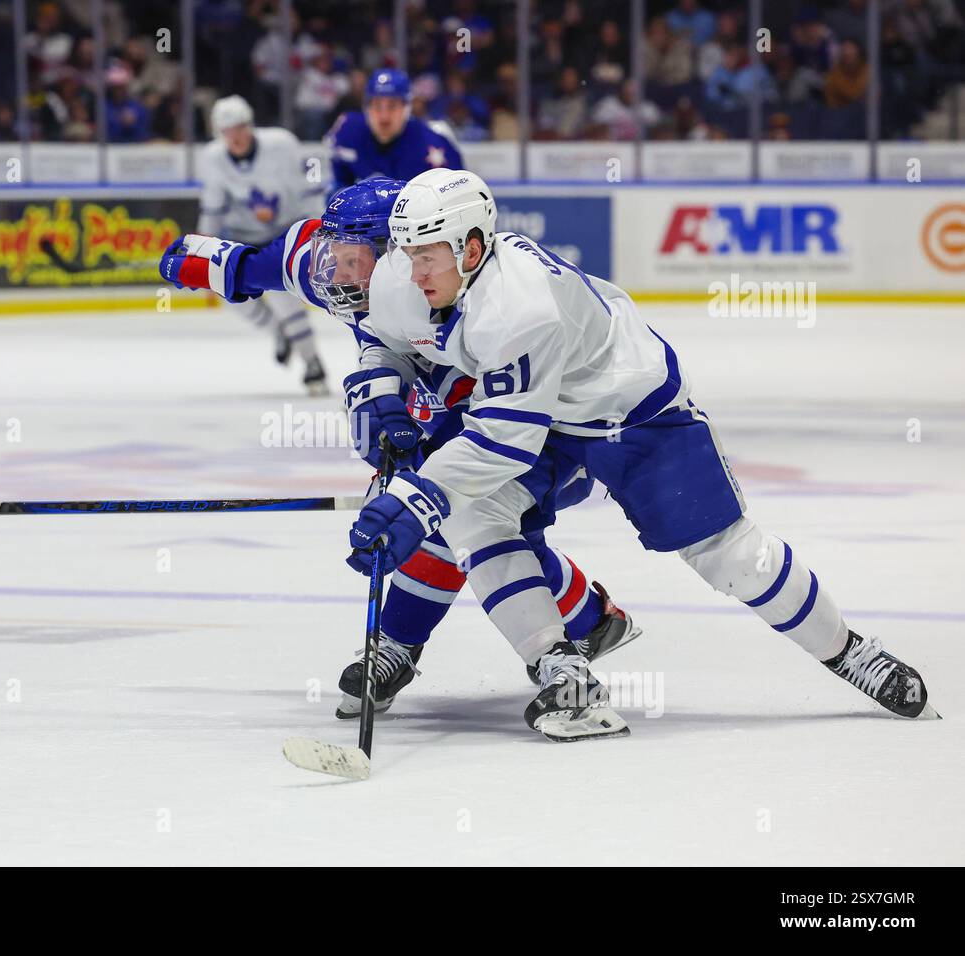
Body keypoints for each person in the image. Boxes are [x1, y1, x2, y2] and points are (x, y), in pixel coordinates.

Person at [343, 167, 936, 740]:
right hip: (545, 409)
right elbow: (385, 337)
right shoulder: (407, 271)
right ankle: (562, 672)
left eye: (427, 256)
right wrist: (380, 394)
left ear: (472, 248)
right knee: (476, 512)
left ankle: (853, 653)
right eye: (406, 252)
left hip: (631, 408)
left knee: (729, 556)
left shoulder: (519, 305)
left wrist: (413, 500)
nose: (412, 270)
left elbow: (504, 440)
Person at [160, 179, 640, 721]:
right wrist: (201, 261)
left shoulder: (466, 299)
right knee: (447, 518)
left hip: (539, 428)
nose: (340, 276)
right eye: (333, 257)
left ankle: (420, 646)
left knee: (456, 516)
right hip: (454, 415)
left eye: (356, 262)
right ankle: (587, 623)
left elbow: (495, 424)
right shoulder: (333, 265)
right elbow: (257, 266)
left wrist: (406, 444)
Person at [197, 95, 329, 394]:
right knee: (228, 291)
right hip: (243, 236)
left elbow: (309, 186)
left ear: (251, 125)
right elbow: (213, 206)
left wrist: (321, 226)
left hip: (284, 232)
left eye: (241, 127)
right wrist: (204, 247)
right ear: (220, 133)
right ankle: (278, 333)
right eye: (228, 130)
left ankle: (312, 363)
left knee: (284, 297)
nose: (236, 136)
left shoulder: (281, 144)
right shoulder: (212, 157)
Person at [325, 68, 462, 195]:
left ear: (406, 109)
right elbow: (339, 184)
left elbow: (456, 198)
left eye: (392, 106)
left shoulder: (433, 144)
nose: (384, 117)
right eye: (377, 106)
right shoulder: (348, 130)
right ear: (366, 107)